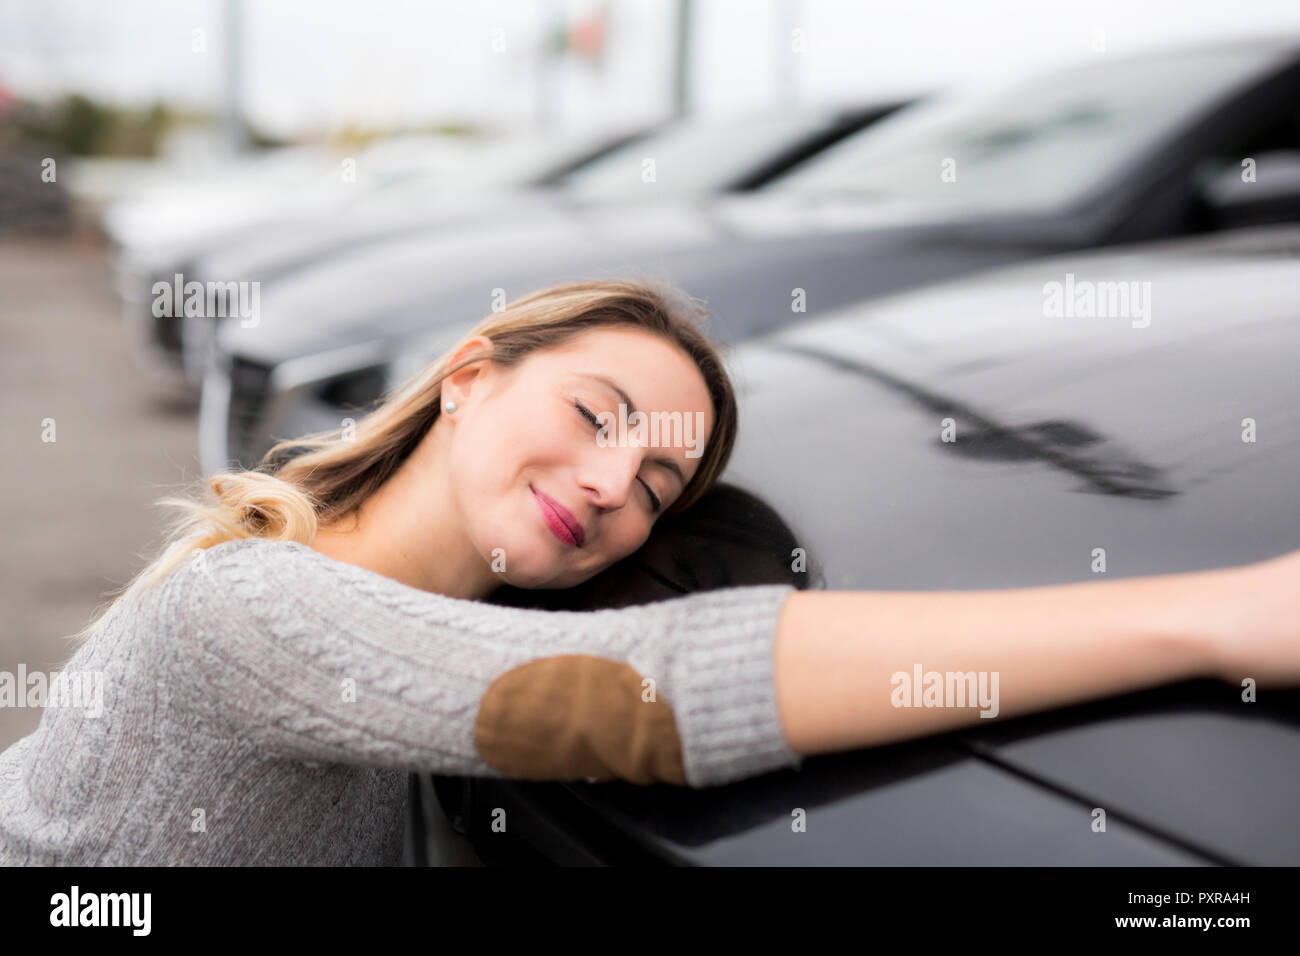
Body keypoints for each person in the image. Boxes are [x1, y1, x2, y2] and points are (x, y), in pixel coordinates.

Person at [0, 278, 1295, 866]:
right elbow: (633, 695)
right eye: (597, 412)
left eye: (660, 484)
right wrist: (1217, 617)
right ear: (465, 377)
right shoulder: (254, 606)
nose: (616, 484)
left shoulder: (410, 618)